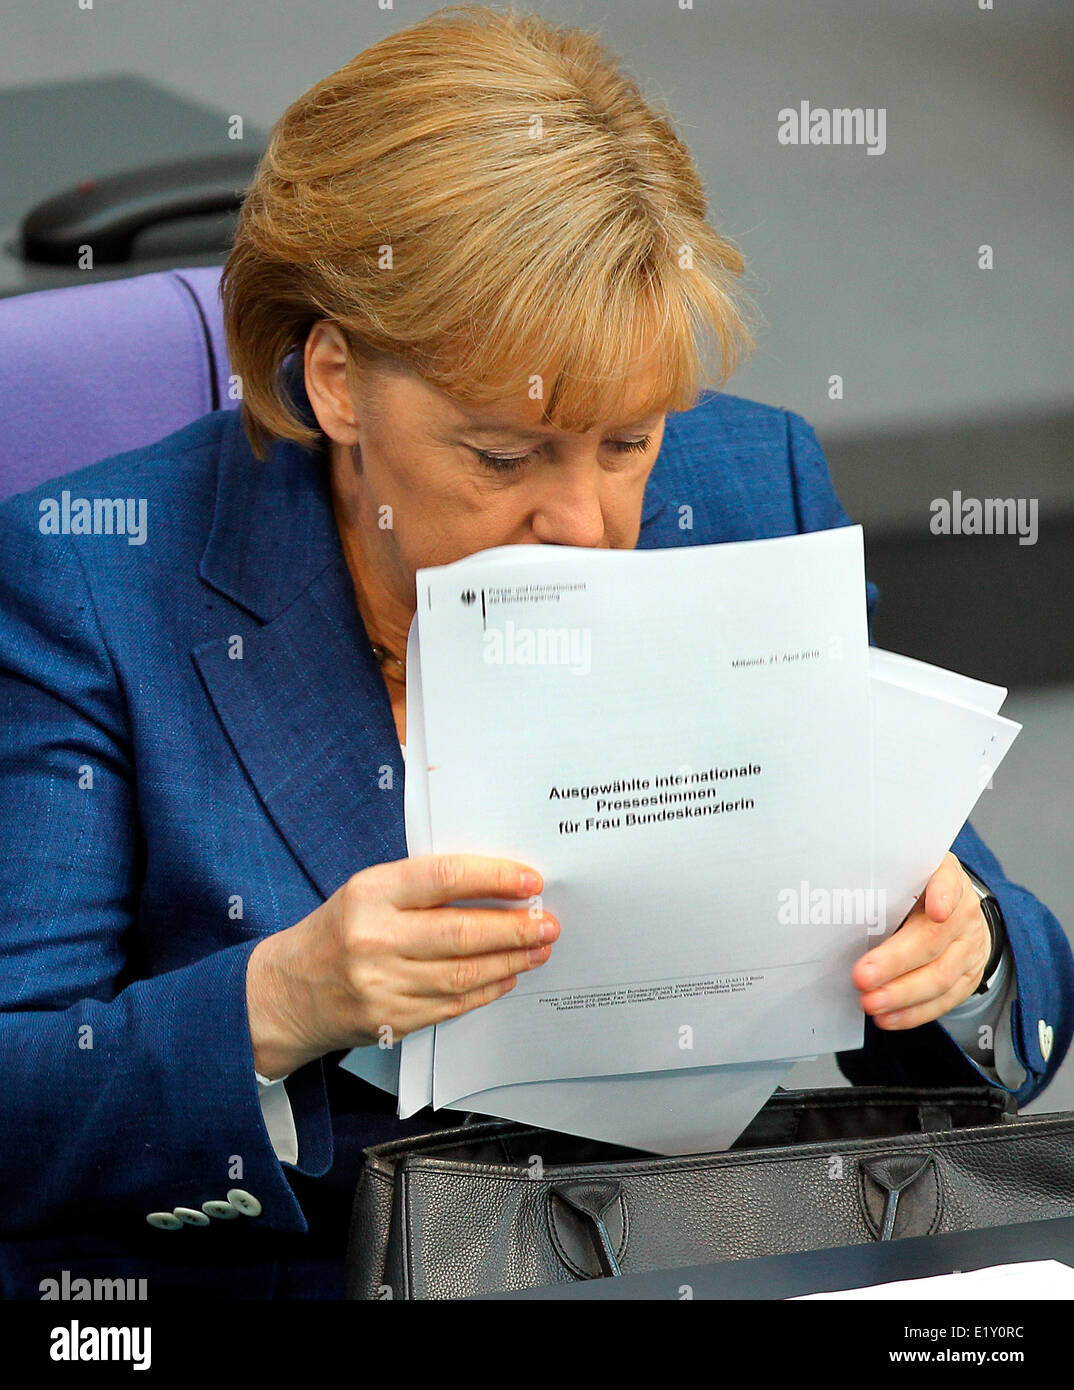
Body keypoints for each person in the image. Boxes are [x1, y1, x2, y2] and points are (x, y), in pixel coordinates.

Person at [1, 4, 1070, 1301]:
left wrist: (959, 960)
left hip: (667, 1248)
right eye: (501, 457)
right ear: (335, 379)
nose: (582, 525)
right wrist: (277, 1000)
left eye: (625, 441)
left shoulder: (743, 483)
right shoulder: (92, 579)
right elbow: (19, 1103)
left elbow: (1007, 986)